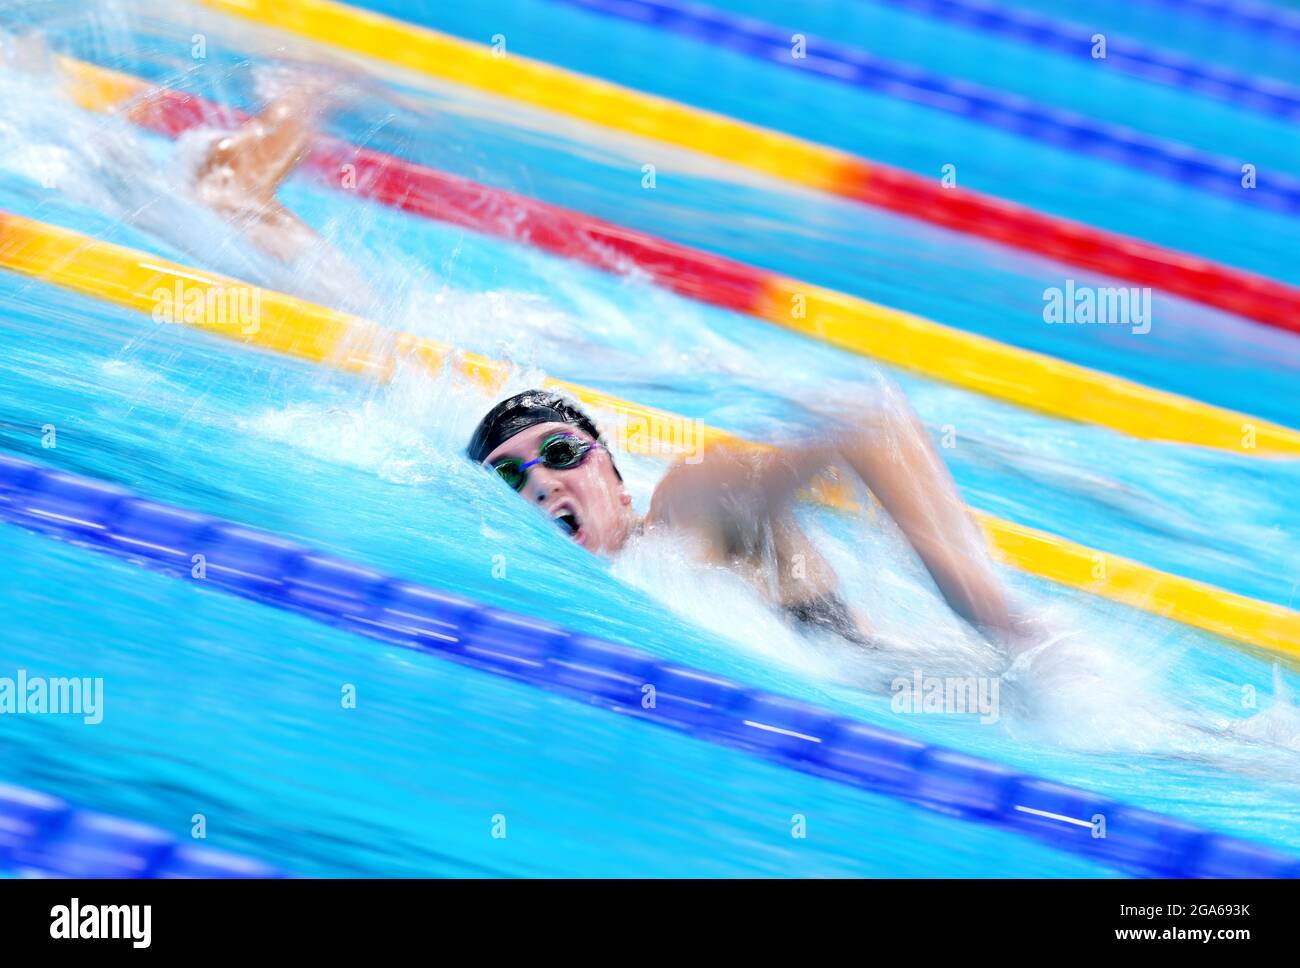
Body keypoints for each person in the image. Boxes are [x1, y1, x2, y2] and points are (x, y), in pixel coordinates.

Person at [177, 81, 1021, 649]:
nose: (541, 485)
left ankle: (274, 141)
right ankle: (260, 160)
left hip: (957, 689)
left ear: (619, 480)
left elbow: (867, 419)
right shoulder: (595, 576)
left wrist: (1011, 631)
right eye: (512, 480)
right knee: (359, 319)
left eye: (556, 456)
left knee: (370, 323)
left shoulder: (687, 507)